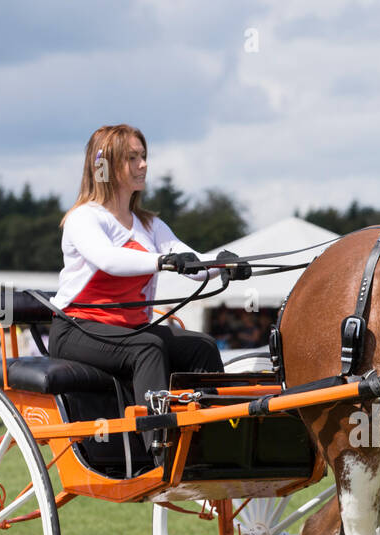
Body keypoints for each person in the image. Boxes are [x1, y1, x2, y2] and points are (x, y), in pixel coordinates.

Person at [49, 124, 244, 411]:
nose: (143, 164)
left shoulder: (150, 224)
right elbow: (108, 259)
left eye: (143, 156)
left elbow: (190, 261)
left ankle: (210, 437)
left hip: (132, 329)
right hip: (77, 331)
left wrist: (221, 265)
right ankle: (159, 447)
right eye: (132, 158)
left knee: (202, 346)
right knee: (147, 348)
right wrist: (161, 261)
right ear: (105, 165)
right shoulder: (84, 218)